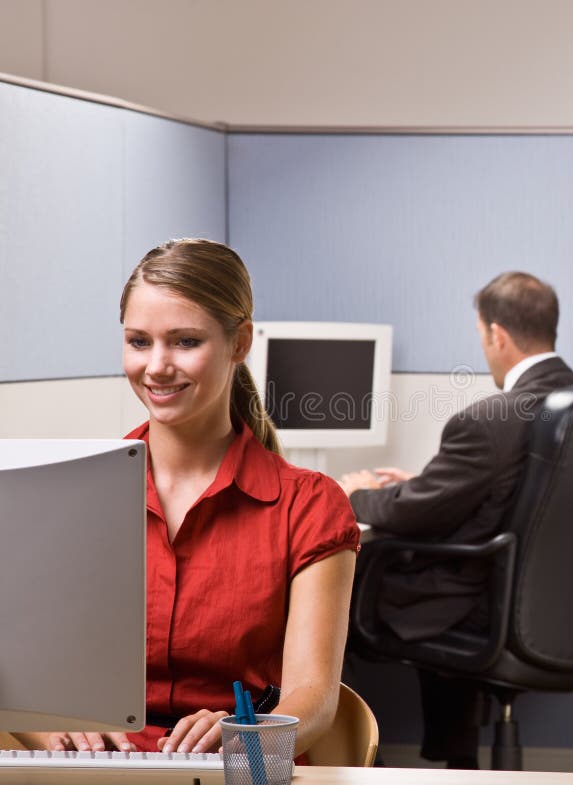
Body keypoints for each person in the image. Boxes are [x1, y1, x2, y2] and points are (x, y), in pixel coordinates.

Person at [26, 239, 359, 757]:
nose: (156, 366)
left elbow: (313, 699)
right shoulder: (74, 491)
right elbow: (20, 670)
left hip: (234, 764)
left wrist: (245, 734)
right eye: (139, 341)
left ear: (240, 342)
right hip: (96, 769)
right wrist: (50, 732)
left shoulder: (310, 505)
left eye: (184, 342)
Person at [340, 271, 573, 769]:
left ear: (497, 334)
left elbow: (413, 512)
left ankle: (359, 769)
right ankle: (456, 763)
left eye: (481, 336)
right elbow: (526, 495)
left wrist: (352, 496)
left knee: (332, 602)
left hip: (484, 605)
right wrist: (428, 482)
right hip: (570, 606)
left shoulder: (493, 418)